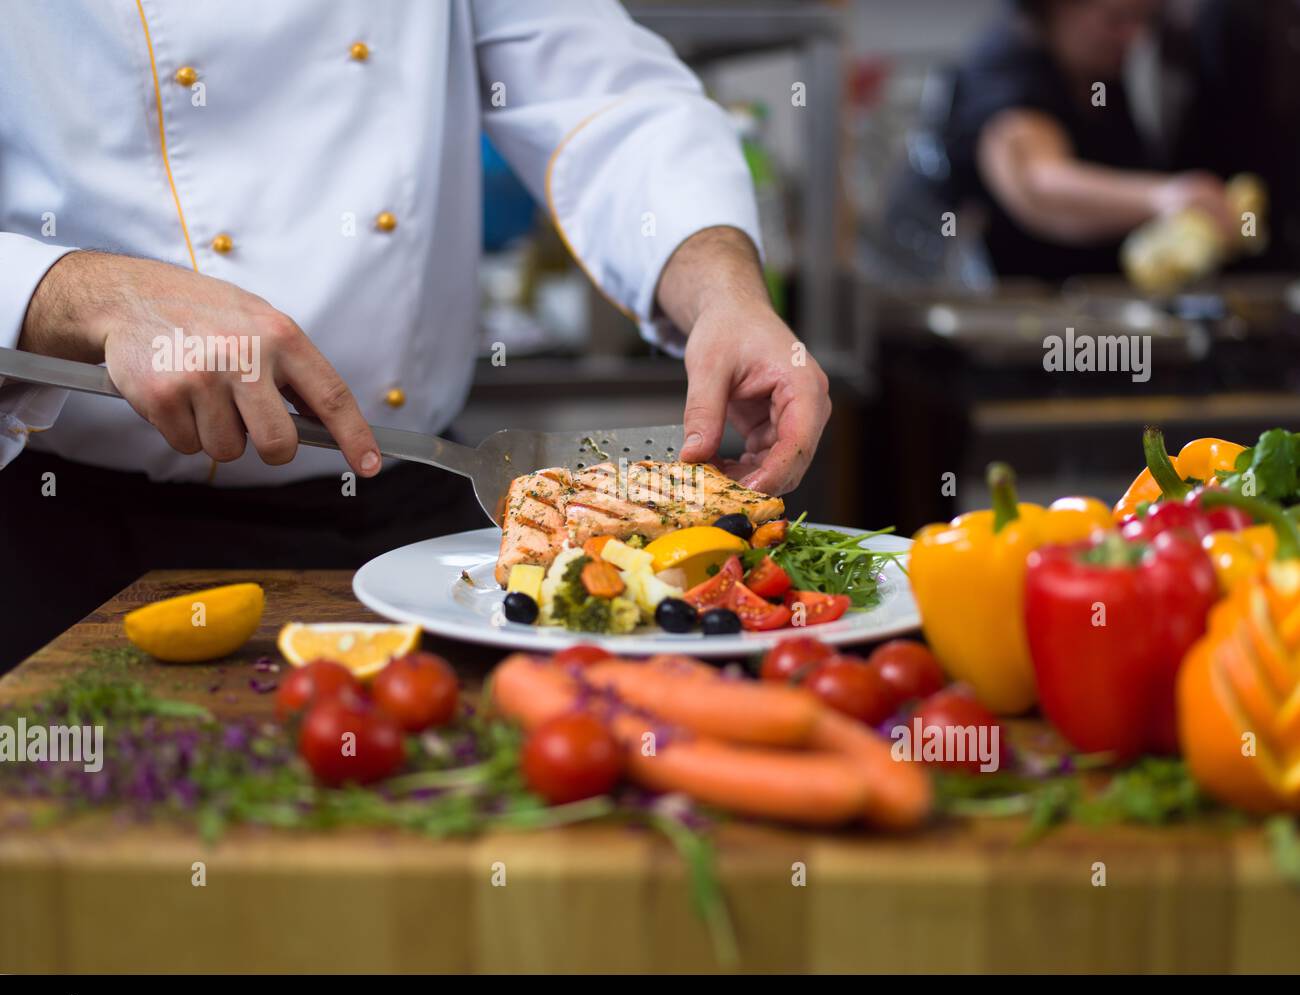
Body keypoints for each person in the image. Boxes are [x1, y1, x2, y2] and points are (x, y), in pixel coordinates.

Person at [0, 1, 830, 669]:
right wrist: (75, 293)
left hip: (411, 522)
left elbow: (606, 99)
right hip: (70, 539)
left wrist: (726, 290)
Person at [938, 0, 1240, 279]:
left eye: (1143, 21)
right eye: (1116, 20)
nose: (1133, 38)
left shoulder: (1093, 76)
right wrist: (1163, 198)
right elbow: (1036, 185)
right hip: (995, 306)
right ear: (1056, 7)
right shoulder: (1009, 67)